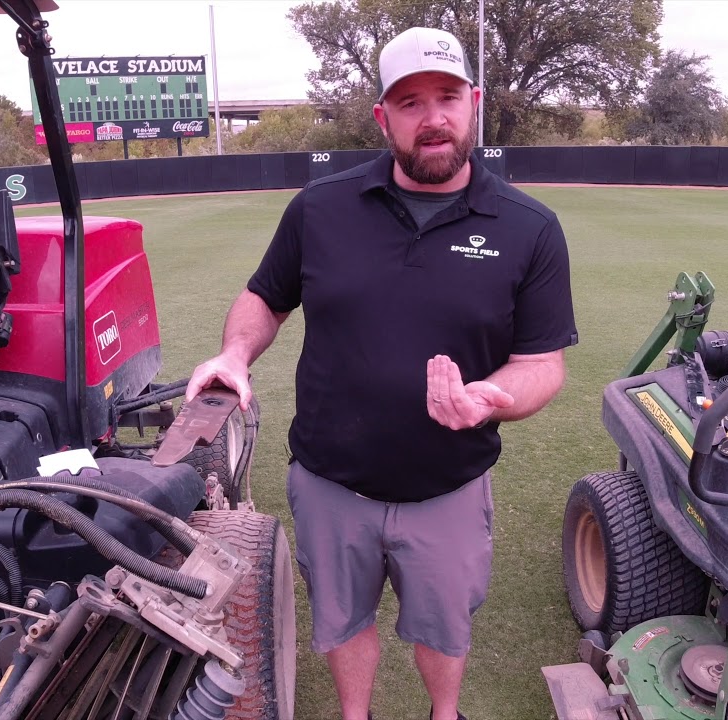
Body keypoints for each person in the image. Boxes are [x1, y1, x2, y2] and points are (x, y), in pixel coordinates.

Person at [185, 26, 578, 720]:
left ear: (474, 102)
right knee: (340, 619)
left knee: (444, 628)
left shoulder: (529, 227)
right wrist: (234, 353)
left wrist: (494, 399)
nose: (433, 118)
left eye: (447, 97)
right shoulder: (321, 208)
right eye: (411, 101)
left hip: (449, 487)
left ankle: (443, 713)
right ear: (382, 117)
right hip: (331, 482)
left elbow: (543, 364)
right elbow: (264, 297)